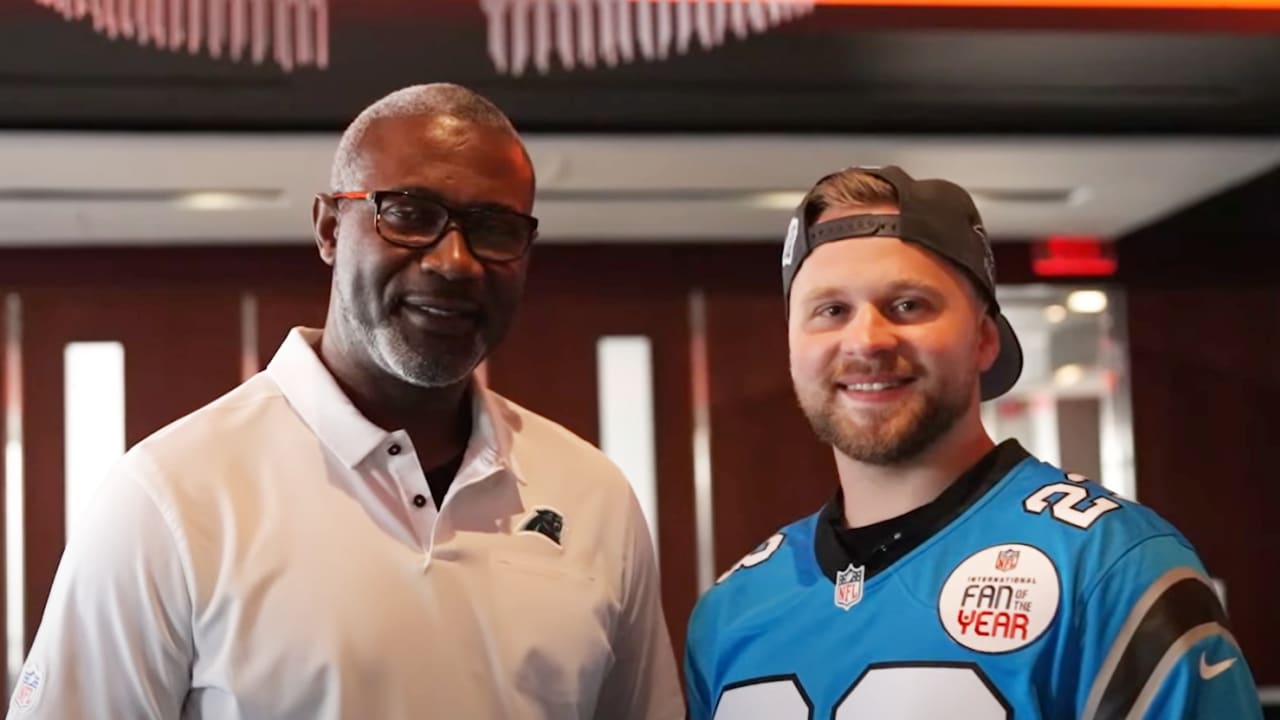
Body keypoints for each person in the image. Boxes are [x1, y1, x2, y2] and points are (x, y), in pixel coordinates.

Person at [9, 83, 683, 720]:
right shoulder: (173, 496)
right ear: (331, 229)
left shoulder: (593, 495)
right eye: (410, 214)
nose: (454, 261)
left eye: (494, 227)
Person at [683, 165, 1261, 719]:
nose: (866, 340)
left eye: (907, 305)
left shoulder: (1111, 567)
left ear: (984, 339)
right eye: (831, 310)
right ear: (792, 347)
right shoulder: (733, 611)